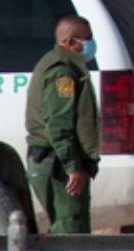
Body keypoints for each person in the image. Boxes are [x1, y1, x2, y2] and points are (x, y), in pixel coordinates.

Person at [24, 14, 102, 235]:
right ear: (69, 41)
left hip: (58, 160)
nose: (90, 44)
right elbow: (58, 124)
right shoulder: (62, 72)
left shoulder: (67, 65)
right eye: (86, 39)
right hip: (57, 163)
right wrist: (72, 167)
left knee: (70, 227)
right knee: (70, 230)